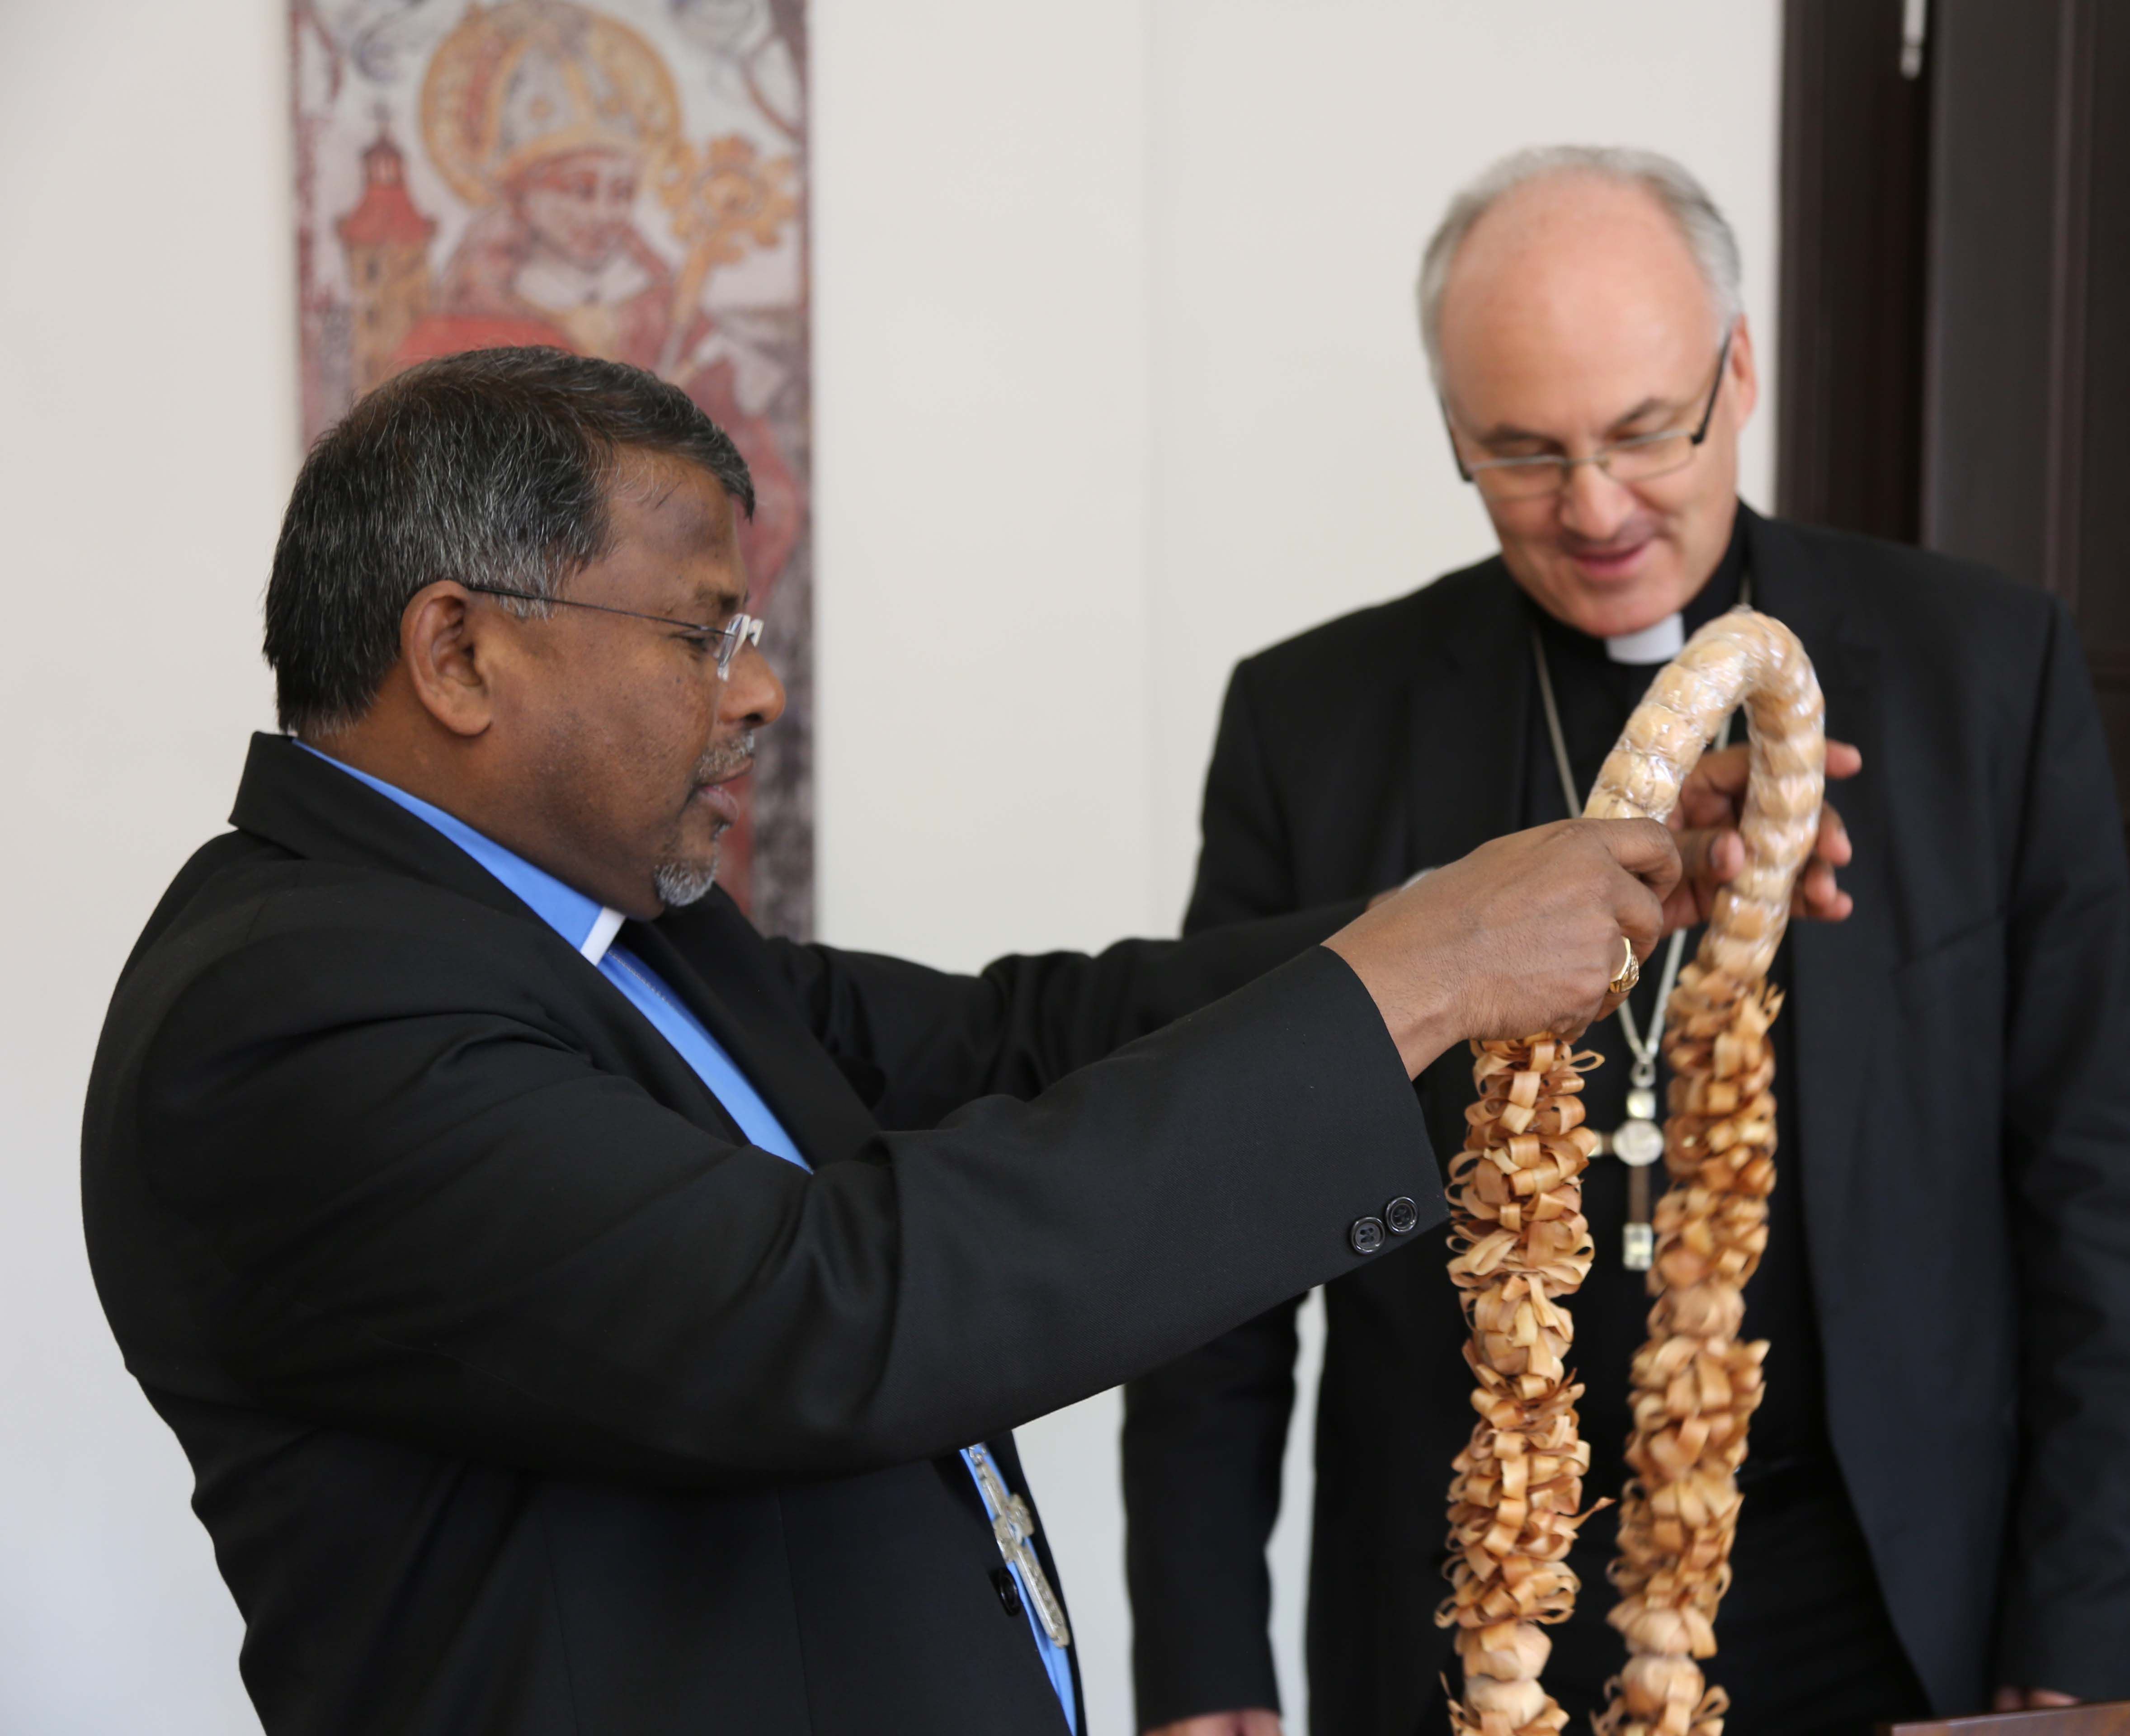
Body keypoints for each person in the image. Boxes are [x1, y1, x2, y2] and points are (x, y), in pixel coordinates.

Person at [81, 347, 1729, 1736]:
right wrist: (1413, 983)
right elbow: (828, 1309)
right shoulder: (283, 1018)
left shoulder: (600, 938)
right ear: (459, 651)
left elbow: (1026, 1040)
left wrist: (1512, 906)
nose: (755, 694)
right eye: (700, 633)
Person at [1121, 147, 2130, 1736]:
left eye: (1644, 434)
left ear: (1738, 370)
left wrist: (2084, 1646)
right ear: (1451, 436)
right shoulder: (1314, 725)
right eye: (1525, 455)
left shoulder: (1987, 673)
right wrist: (1207, 1675)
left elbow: (2096, 1192)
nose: (1598, 508)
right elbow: (1224, 1208)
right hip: (1467, 1604)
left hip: (1883, 1596)